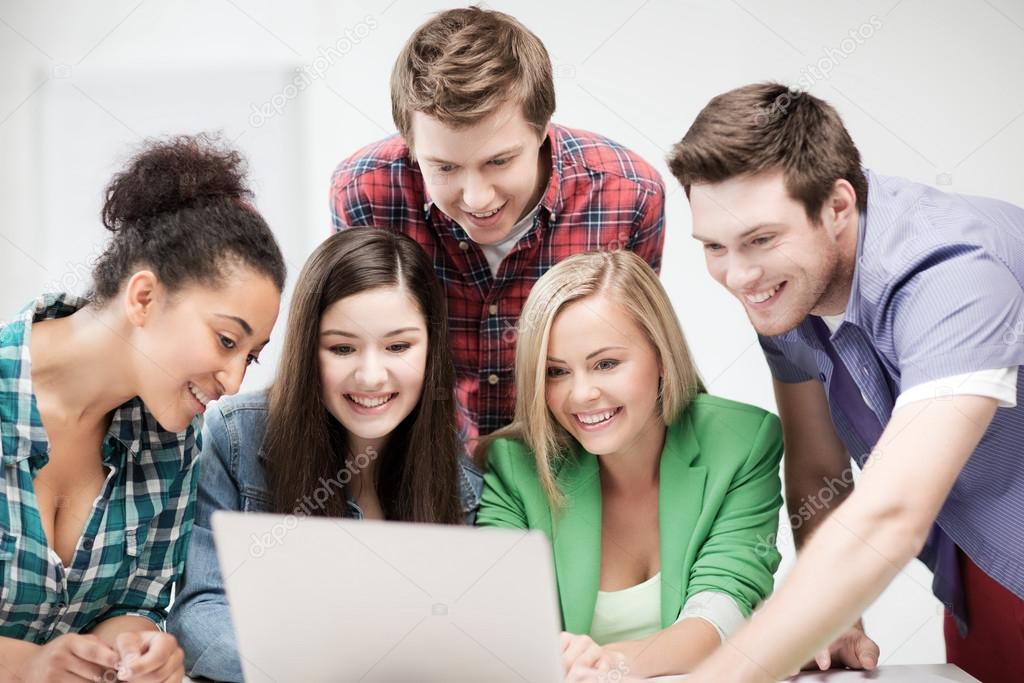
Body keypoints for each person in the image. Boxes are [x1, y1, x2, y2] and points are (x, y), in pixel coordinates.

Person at [669, 82, 1024, 683]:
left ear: (837, 206)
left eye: (760, 239)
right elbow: (817, 467)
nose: (738, 275)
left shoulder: (952, 272)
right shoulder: (784, 290)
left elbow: (891, 513)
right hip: (984, 559)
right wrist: (834, 617)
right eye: (714, 247)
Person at [0, 135, 285, 683]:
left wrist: (137, 649)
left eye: (251, 357)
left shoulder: (172, 440)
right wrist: (25, 667)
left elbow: (134, 604)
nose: (233, 380)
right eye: (227, 340)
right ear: (144, 297)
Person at [330, 7, 666, 449]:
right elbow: (364, 361)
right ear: (411, 145)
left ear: (543, 130)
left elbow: (631, 366)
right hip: (422, 462)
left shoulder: (628, 196)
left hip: (567, 462)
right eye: (445, 167)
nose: (477, 198)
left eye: (499, 161)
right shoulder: (365, 192)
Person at [167, 228, 484, 682]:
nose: (371, 376)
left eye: (399, 346)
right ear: (306, 349)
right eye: (341, 348)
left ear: (431, 349)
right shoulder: (237, 437)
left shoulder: (463, 488)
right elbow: (200, 611)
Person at [476, 250, 783, 679]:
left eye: (606, 364)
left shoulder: (741, 444)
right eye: (556, 372)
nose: (581, 394)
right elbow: (504, 624)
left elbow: (722, 611)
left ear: (660, 354)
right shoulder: (512, 466)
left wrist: (610, 664)